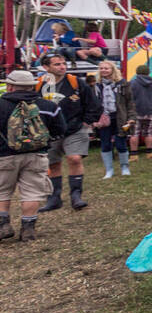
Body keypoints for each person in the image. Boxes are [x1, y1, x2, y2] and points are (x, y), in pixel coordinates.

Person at [0, 70, 67, 241]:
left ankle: (4, 225)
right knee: (32, 193)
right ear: (32, 86)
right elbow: (60, 129)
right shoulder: (48, 106)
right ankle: (28, 228)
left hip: (4, 155)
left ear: (10, 86)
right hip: (37, 155)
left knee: (2, 191)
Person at [37, 54, 101, 212]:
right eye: (57, 64)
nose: (62, 67)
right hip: (49, 130)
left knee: (74, 158)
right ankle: (54, 198)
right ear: (46, 67)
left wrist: (87, 121)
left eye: (63, 63)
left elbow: (93, 103)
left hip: (75, 127)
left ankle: (76, 195)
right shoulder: (39, 85)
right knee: (52, 163)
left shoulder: (76, 82)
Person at [94, 61, 134, 177]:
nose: (104, 70)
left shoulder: (123, 84)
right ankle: (109, 170)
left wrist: (131, 117)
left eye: (106, 68)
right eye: (101, 68)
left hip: (119, 117)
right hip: (104, 118)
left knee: (120, 143)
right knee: (105, 144)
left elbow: (130, 102)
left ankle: (124, 167)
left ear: (112, 70)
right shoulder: (96, 86)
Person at [128, 64, 152, 157]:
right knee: (149, 132)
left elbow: (128, 98)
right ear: (148, 72)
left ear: (137, 72)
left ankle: (134, 154)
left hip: (135, 111)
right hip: (150, 111)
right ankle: (149, 153)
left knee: (134, 133)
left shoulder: (132, 83)